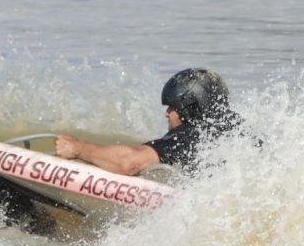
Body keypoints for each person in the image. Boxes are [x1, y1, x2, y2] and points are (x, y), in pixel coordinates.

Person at [53, 68, 243, 176]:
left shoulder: (187, 136)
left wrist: (78, 149)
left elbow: (128, 163)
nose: (167, 113)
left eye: (172, 107)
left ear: (188, 108)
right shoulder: (238, 129)